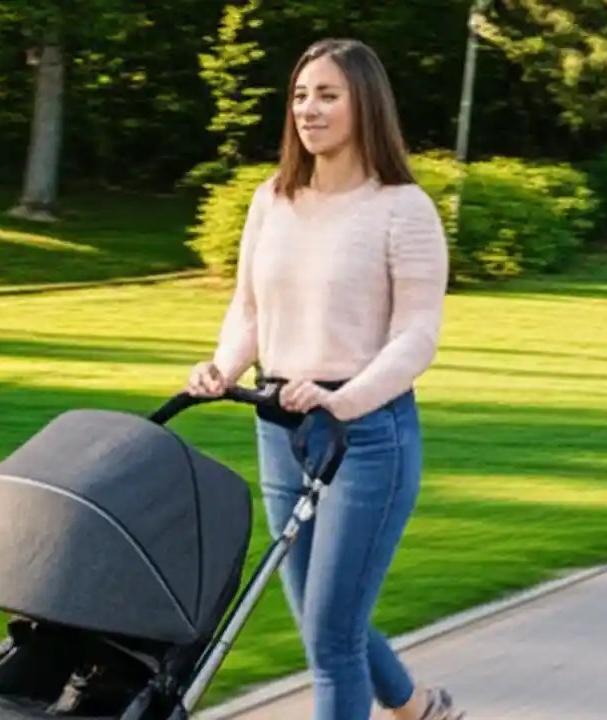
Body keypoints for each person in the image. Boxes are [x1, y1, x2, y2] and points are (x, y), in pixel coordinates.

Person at [185, 38, 464, 720]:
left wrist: (347, 398)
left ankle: (408, 706)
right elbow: (249, 309)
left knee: (331, 638)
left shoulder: (403, 209)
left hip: (367, 437)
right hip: (280, 427)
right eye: (301, 95)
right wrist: (223, 366)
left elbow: (416, 335)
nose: (309, 109)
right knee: (320, 615)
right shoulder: (271, 199)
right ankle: (416, 706)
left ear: (364, 104)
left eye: (328, 95)